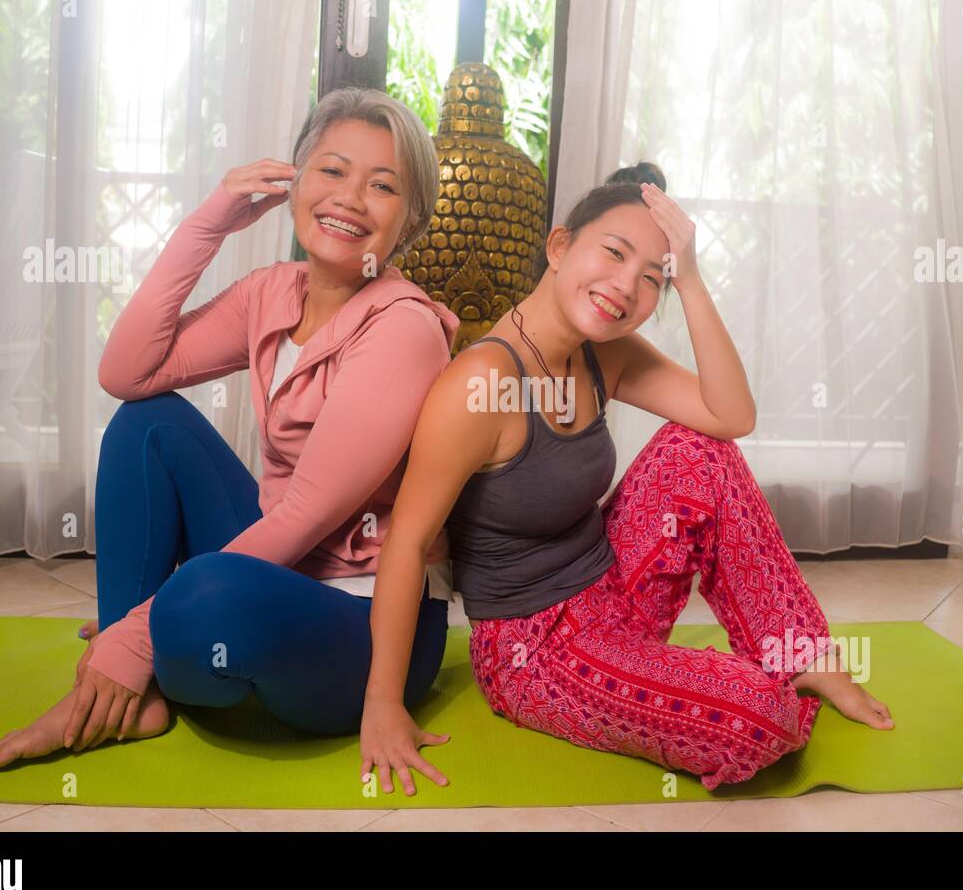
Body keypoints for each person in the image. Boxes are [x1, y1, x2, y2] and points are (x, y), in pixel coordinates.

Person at [359, 162, 894, 796]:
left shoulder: (602, 352)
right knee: (759, 717)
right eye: (612, 253)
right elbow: (407, 543)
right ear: (560, 247)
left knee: (702, 450)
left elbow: (731, 416)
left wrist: (691, 281)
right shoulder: (482, 386)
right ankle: (735, 683)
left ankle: (800, 656)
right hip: (536, 649)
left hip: (614, 587)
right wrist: (382, 705)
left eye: (651, 278)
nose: (624, 288)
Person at [0, 88, 458, 769]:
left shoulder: (404, 329)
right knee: (145, 424)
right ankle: (138, 686)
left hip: (369, 619)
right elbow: (127, 373)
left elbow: (302, 514)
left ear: (409, 221)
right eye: (332, 170)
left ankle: (142, 644)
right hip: (279, 566)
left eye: (382, 185)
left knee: (202, 605)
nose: (351, 196)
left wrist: (141, 633)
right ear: (294, 178)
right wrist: (211, 222)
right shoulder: (275, 292)